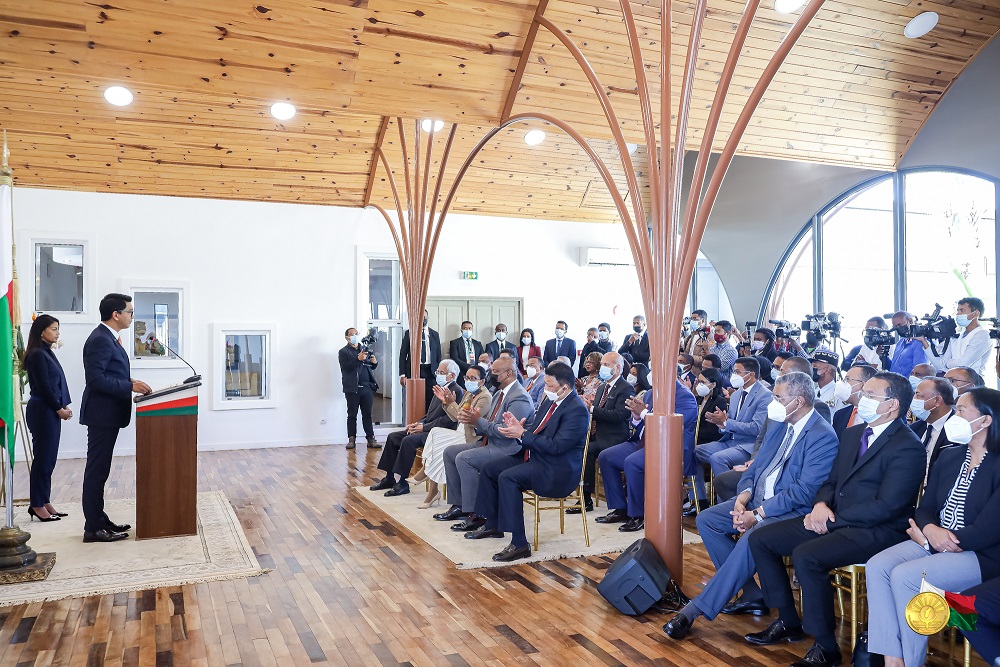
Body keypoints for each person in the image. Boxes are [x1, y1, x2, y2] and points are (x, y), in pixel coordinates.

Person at [745, 371, 925, 667]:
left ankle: (825, 646)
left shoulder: (907, 445)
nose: (861, 399)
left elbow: (887, 506)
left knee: (808, 556)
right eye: (863, 393)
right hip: (834, 519)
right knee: (762, 538)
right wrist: (819, 504)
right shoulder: (854, 432)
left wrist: (832, 519)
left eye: (870, 395)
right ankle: (789, 621)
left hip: (876, 530)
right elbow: (831, 480)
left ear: (892, 404)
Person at [664, 371, 840, 640]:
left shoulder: (822, 436)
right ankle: (751, 592)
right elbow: (756, 466)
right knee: (707, 520)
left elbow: (804, 492)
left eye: (779, 398)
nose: (773, 403)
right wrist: (743, 498)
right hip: (757, 500)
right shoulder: (780, 422)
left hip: (791, 511)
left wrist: (756, 515)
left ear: (799, 401)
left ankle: (695, 609)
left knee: (755, 536)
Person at [866, 387, 1000, 667]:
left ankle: (913, 662)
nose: (955, 416)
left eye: (962, 410)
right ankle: (893, 658)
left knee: (906, 576)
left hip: (981, 554)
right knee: (877, 566)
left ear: (986, 420)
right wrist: (930, 533)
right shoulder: (951, 456)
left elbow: (989, 529)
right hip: (934, 541)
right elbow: (925, 508)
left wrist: (931, 542)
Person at [467, 361, 591, 562]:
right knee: (490, 469)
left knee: (508, 478)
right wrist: (517, 428)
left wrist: (523, 434)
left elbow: (556, 446)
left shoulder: (576, 410)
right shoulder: (551, 400)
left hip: (556, 470)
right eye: (546, 385)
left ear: (565, 387)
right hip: (536, 457)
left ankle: (519, 543)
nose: (546, 389)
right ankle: (493, 524)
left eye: (550, 386)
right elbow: (534, 430)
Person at [80, 293, 152, 543]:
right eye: (130, 312)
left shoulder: (109, 338)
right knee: (96, 471)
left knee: (101, 470)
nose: (133, 316)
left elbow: (109, 372)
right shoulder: (100, 339)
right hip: (102, 414)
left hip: (108, 413)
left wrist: (130, 380)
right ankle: (93, 528)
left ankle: (99, 519)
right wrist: (129, 387)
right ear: (116, 314)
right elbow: (96, 380)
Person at [434, 356, 533, 531]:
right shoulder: (499, 392)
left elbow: (505, 432)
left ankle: (476, 514)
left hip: (509, 448)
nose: (490, 375)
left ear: (508, 373)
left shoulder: (519, 397)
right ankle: (460, 505)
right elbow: (486, 422)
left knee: (465, 459)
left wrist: (477, 421)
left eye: (494, 372)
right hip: (490, 442)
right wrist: (472, 419)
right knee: (450, 452)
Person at [596, 378, 698, 533]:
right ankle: (620, 508)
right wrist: (636, 416)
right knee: (606, 456)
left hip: (668, 446)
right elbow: (640, 422)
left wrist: (643, 412)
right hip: (643, 441)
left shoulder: (685, 396)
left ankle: (639, 515)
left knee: (632, 463)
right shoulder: (650, 393)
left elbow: (674, 427)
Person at [370, 360, 463, 497]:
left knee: (408, 440)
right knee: (393, 437)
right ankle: (389, 478)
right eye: (437, 371)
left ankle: (402, 483)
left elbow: (449, 420)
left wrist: (423, 427)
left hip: (439, 433)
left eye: (441, 373)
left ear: (452, 375)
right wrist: (417, 424)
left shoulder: (456, 391)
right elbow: (429, 414)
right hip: (427, 428)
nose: (438, 375)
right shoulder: (440, 388)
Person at [693, 357, 772, 508]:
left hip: (748, 445)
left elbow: (756, 428)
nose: (733, 375)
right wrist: (721, 424)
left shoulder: (764, 396)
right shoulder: (736, 395)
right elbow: (728, 424)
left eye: (737, 371)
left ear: (751, 375)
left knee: (718, 458)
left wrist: (726, 423)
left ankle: (726, 504)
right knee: (694, 451)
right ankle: (700, 500)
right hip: (730, 441)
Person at [414, 364, 491, 508]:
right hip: (460, 431)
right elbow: (456, 417)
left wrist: (450, 402)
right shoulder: (469, 393)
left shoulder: (485, 397)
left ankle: (427, 475)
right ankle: (429, 481)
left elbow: (464, 417)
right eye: (467, 377)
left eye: (473, 378)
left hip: (470, 436)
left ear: (482, 381)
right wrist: (447, 403)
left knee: (439, 443)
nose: (469, 380)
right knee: (435, 432)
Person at [23, 314, 72, 522]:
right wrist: (58, 408)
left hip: (50, 409)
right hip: (43, 410)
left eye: (57, 328)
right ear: (41, 331)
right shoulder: (36, 354)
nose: (57, 332)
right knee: (43, 459)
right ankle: (36, 503)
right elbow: (43, 387)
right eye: (53, 328)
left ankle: (44, 500)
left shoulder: (46, 352)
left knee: (49, 459)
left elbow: (57, 381)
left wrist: (63, 404)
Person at [571, 351, 633, 514]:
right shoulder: (602, 388)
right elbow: (596, 412)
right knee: (580, 448)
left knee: (588, 452)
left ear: (618, 368)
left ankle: (588, 498)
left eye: (606, 365)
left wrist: (591, 408)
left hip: (615, 438)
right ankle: (583, 496)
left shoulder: (626, 388)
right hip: (598, 435)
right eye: (602, 365)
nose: (602, 368)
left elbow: (620, 415)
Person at [910, 376, 958, 484]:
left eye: (918, 395)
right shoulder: (914, 428)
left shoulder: (957, 432)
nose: (913, 399)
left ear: (937, 401)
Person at [926, 297, 992, 376]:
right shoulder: (958, 336)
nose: (958, 314)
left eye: (962, 310)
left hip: (973, 383)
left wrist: (948, 363)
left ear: (975, 314)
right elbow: (940, 365)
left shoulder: (982, 335)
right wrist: (924, 341)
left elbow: (962, 365)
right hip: (954, 382)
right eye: (958, 310)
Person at [339, 327, 379, 450]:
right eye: (352, 334)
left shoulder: (364, 348)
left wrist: (374, 362)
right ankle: (352, 439)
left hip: (367, 387)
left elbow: (370, 367)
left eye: (356, 334)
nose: (355, 336)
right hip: (352, 388)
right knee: (352, 414)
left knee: (367, 415)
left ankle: (371, 439)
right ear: (347, 337)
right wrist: (357, 359)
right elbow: (346, 367)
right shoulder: (343, 352)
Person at [398, 309, 442, 412]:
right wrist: (403, 374)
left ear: (428, 318)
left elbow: (438, 355)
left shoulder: (434, 334)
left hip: (431, 371)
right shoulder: (410, 333)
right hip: (415, 370)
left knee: (430, 399)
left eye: (424, 317)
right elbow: (402, 355)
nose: (423, 320)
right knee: (414, 399)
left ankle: (427, 423)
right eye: (420, 318)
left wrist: (440, 374)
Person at [830, 363, 878, 438]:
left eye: (847, 379)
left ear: (863, 385)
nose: (843, 383)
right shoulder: (840, 415)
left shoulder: (876, 416)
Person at [888, 311, 928, 378]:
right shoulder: (901, 342)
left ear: (910, 320)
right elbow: (893, 368)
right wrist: (882, 357)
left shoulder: (920, 343)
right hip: (895, 383)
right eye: (895, 327)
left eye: (899, 325)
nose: (898, 328)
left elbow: (919, 371)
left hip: (908, 385)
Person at [811, 349, 845, 414]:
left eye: (815, 366)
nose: (812, 369)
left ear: (827, 370)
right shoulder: (815, 392)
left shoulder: (838, 395)